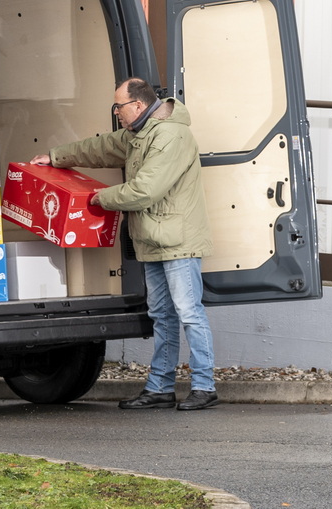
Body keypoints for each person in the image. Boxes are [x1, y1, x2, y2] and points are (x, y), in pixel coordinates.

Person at [30, 77, 218, 411]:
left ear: (138, 105)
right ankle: (160, 388)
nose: (116, 112)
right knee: (162, 316)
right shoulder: (138, 134)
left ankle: (204, 387)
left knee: (189, 313)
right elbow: (99, 148)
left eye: (119, 106)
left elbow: (145, 190)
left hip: (178, 241)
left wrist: (98, 198)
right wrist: (55, 157)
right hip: (153, 239)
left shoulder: (170, 136)